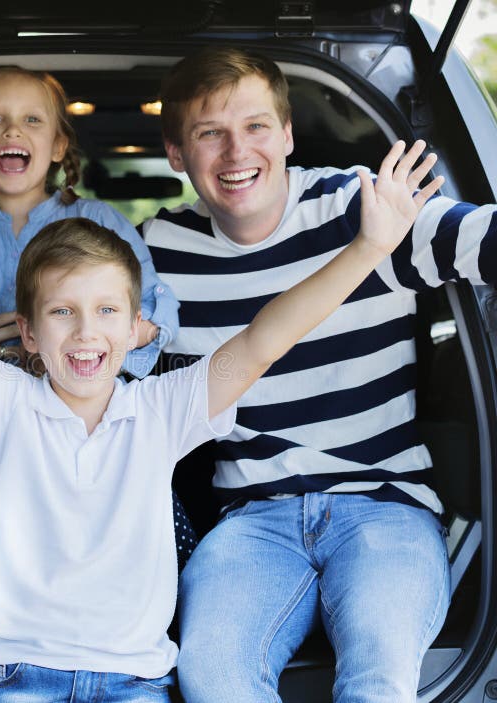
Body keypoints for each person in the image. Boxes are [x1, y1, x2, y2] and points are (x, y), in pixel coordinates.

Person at [0, 111, 439, 701]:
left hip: (132, 682)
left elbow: (268, 336)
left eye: (108, 311)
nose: (86, 333)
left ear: (139, 327)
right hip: (8, 676)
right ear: (28, 332)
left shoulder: (164, 408)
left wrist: (371, 247)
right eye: (62, 312)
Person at [139, 46, 497, 702]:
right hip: (252, 518)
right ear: (175, 155)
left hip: (386, 506)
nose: (236, 152)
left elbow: (483, 241)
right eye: (209, 133)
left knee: (380, 672)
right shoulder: (155, 252)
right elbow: (80, 340)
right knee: (211, 676)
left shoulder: (361, 205)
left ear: (287, 134)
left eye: (254, 127)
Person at [0, 66, 179, 380]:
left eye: (32, 119)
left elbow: (156, 304)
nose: (12, 131)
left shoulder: (100, 219)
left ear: (57, 146)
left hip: (90, 395)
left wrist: (104, 345)